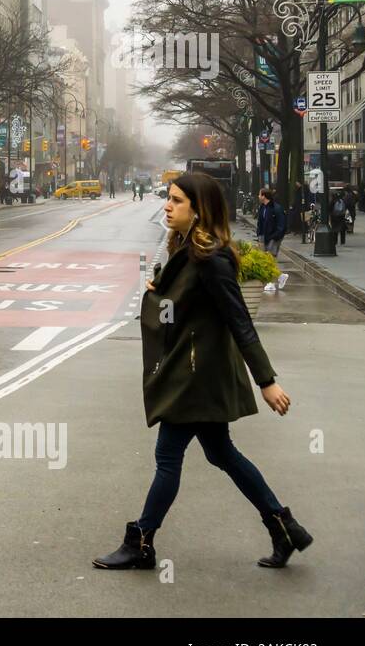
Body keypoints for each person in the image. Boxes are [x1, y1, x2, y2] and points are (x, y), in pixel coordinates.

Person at [93, 173, 311, 572]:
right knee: (221, 453)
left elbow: (238, 319)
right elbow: (181, 310)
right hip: (196, 371)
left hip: (195, 377)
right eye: (169, 199)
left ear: (198, 209)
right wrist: (157, 293)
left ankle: (141, 541)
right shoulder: (187, 250)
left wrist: (267, 381)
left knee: (168, 456)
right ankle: (283, 526)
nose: (167, 205)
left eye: (177, 200)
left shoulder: (211, 259)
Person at [255, 188, 287, 257]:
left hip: (273, 238)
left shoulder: (277, 208)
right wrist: (259, 233)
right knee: (261, 258)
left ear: (264, 196)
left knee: (270, 258)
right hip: (263, 237)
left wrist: (275, 237)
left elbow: (281, 225)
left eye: (259, 194)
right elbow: (260, 222)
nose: (258, 196)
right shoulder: (262, 207)